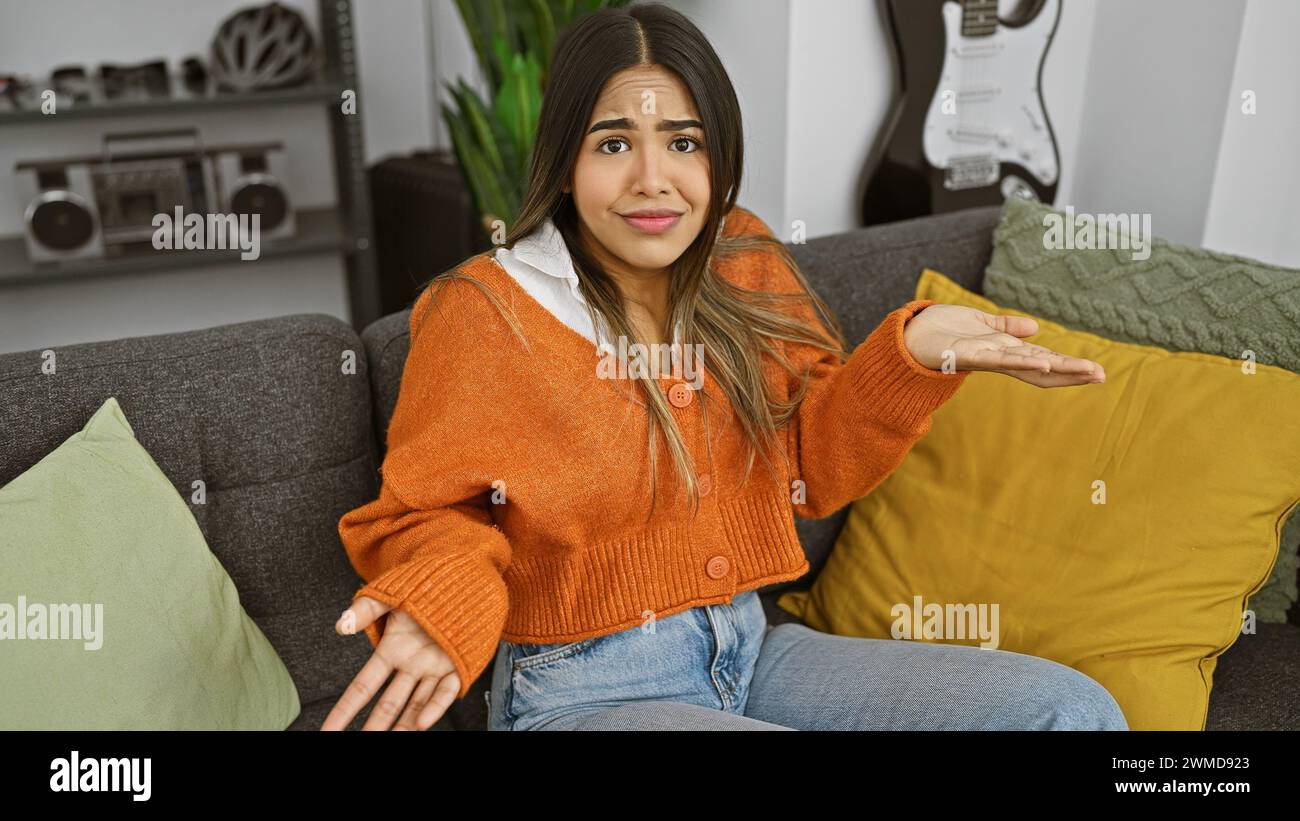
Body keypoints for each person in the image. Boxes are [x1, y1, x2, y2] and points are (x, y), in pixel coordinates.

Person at [320, 3, 1125, 732]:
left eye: (682, 142)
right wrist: (442, 599)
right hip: (580, 689)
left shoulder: (742, 255)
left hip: (752, 647)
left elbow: (812, 465)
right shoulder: (482, 309)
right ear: (564, 161)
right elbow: (425, 512)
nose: (652, 179)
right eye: (612, 143)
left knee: (1069, 711)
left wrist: (910, 354)